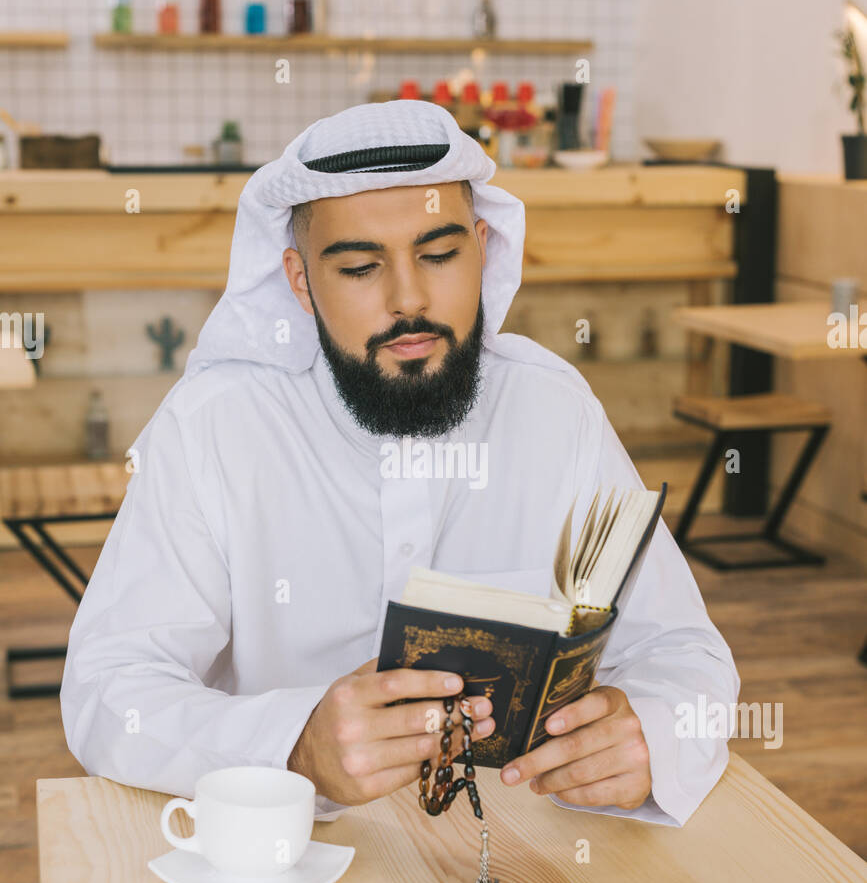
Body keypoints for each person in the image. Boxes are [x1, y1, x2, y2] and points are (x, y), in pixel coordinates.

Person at [60, 100, 739, 827]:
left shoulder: (552, 409)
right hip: (279, 860)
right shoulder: (214, 428)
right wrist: (293, 745)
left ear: (483, 248)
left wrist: (650, 731)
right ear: (299, 282)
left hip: (520, 858)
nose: (408, 299)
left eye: (440, 255)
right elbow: (110, 689)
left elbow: (678, 646)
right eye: (358, 268)